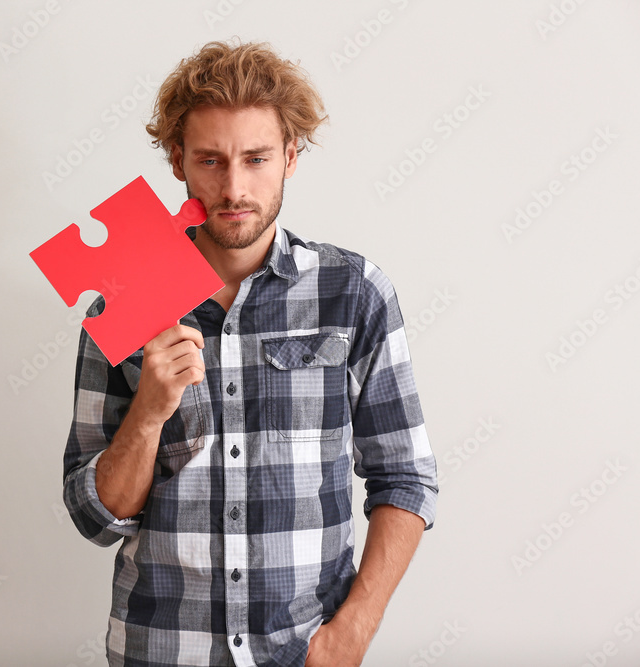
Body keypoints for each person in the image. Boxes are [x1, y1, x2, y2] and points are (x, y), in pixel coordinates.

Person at [61, 40, 438, 667]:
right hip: (161, 650)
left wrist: (352, 633)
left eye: (256, 158)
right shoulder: (119, 306)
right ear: (178, 162)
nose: (234, 188)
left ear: (290, 158)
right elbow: (96, 517)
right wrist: (149, 412)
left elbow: (406, 477)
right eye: (210, 161)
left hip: (304, 652)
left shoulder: (354, 292)